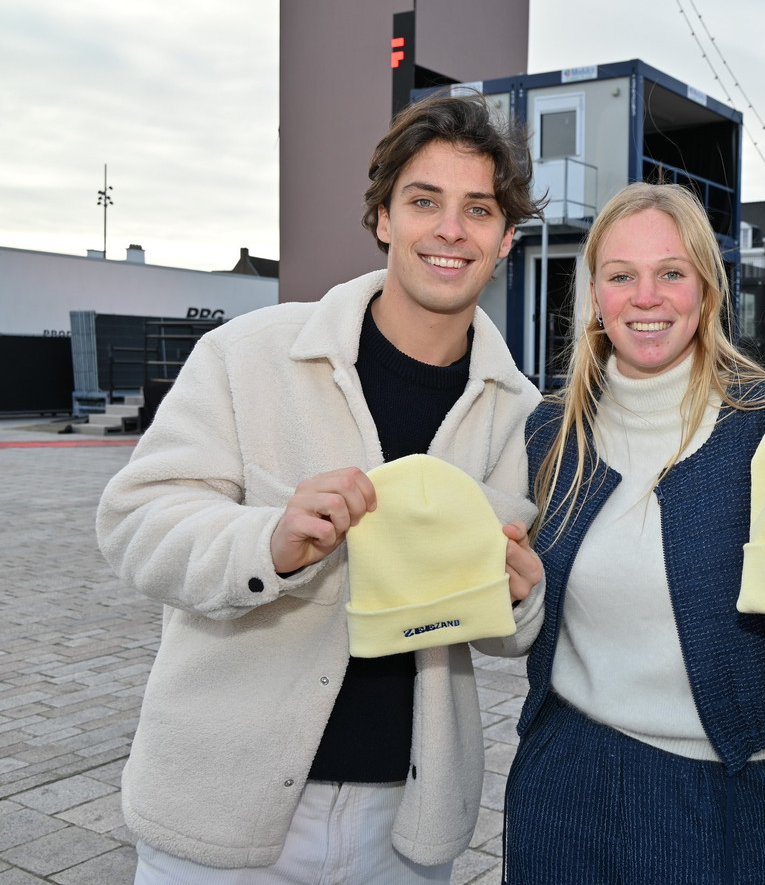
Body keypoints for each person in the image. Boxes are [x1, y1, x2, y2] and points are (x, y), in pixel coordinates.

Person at [97, 92, 547, 883]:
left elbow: (504, 633)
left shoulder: (523, 416)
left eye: (478, 209)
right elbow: (136, 523)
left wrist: (520, 599)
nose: (449, 229)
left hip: (405, 827)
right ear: (382, 218)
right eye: (423, 201)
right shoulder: (250, 355)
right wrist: (266, 540)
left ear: (506, 238)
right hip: (220, 810)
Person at [503, 182, 765, 883]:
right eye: (622, 276)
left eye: (671, 273)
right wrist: (517, 596)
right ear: (596, 295)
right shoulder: (550, 433)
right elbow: (519, 628)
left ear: (705, 289)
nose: (646, 297)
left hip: (716, 791)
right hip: (563, 775)